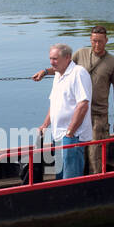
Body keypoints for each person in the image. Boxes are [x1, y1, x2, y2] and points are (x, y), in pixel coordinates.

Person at [32, 25, 114, 173]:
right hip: (77, 112)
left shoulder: (113, 61)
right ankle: (80, 177)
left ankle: (95, 180)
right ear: (90, 40)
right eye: (94, 41)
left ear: (106, 40)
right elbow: (62, 66)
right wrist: (45, 72)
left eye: (100, 41)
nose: (97, 45)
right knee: (77, 152)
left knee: (95, 153)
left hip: (98, 112)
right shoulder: (81, 54)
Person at [38, 44, 92, 180]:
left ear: (67, 58)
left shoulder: (78, 73)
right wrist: (45, 125)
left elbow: (83, 104)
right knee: (60, 177)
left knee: (70, 179)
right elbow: (55, 103)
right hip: (58, 135)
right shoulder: (58, 75)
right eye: (50, 58)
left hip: (72, 136)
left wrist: (70, 132)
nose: (52, 62)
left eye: (55, 59)